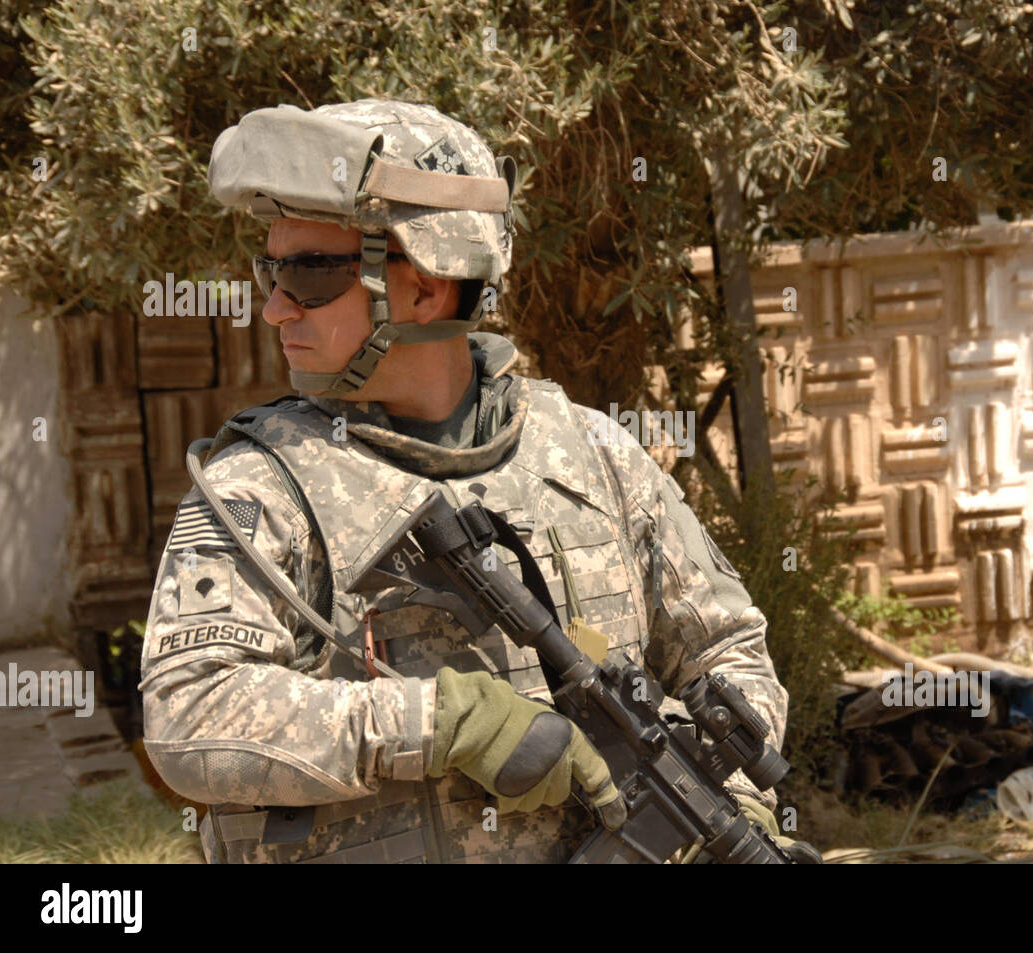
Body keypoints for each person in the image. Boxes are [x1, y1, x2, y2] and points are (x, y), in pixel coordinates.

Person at [139, 99, 801, 864]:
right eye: (270, 266)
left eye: (308, 273)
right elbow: (188, 714)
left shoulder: (594, 453)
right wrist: (441, 723)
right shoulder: (260, 488)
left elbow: (728, 646)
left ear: (424, 286)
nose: (274, 305)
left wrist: (723, 792)